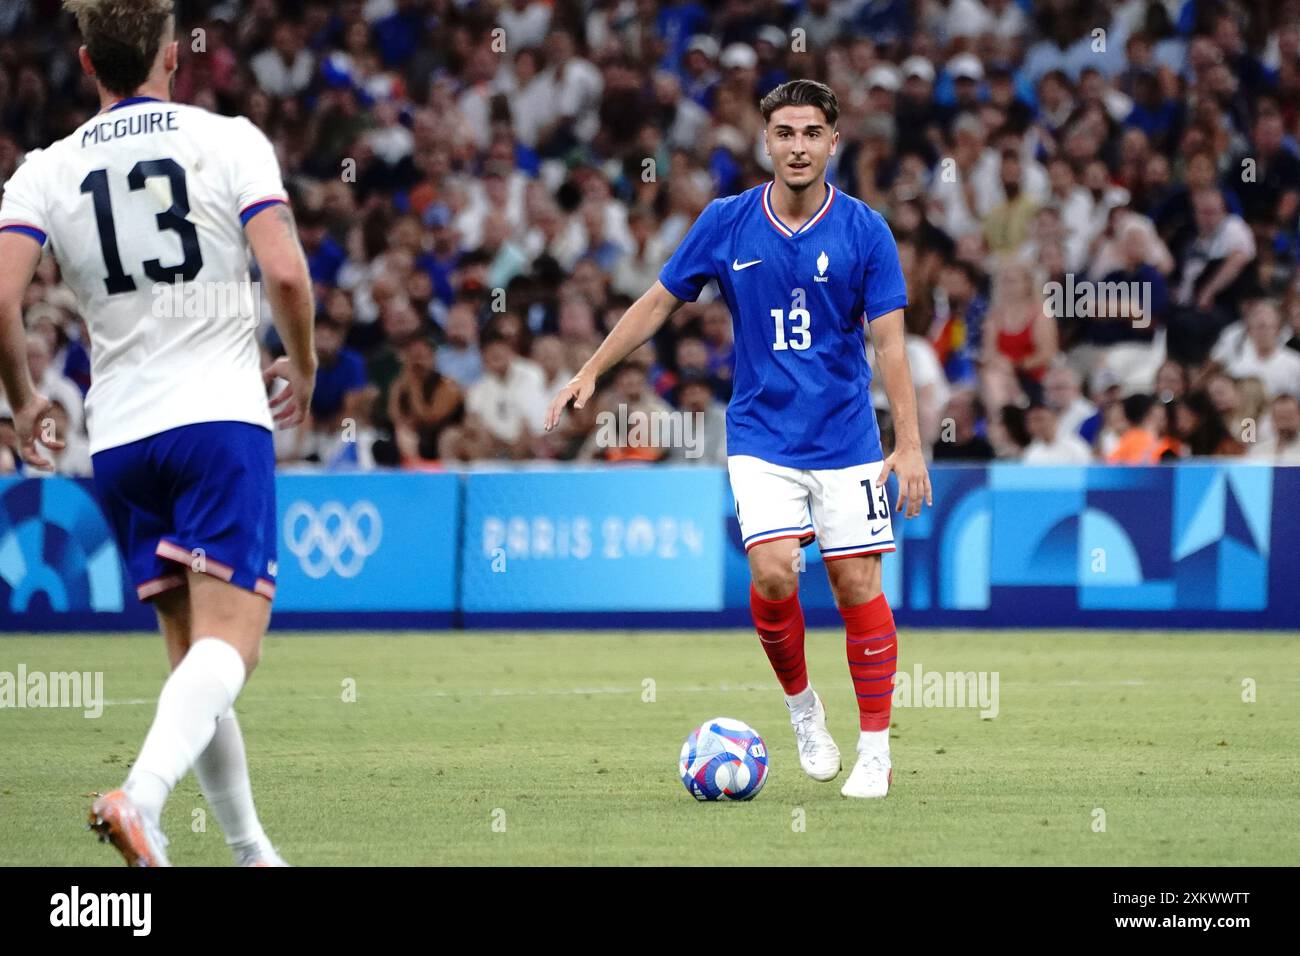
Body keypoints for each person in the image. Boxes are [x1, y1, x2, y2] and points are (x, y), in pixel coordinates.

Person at [546, 80, 930, 800]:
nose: (797, 146)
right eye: (784, 133)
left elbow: (891, 346)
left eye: (811, 133)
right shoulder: (726, 222)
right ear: (766, 141)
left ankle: (875, 749)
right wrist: (591, 370)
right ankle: (802, 710)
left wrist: (908, 444)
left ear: (833, 143)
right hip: (759, 434)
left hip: (846, 437)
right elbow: (660, 300)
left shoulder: (865, 231)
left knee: (856, 585)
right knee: (774, 573)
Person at [0, 0, 314, 867]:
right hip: (217, 417)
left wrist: (24, 401)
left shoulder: (45, 169)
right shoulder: (229, 139)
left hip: (122, 438)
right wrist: (307, 362)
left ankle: (250, 850)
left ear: (87, 62)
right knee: (230, 650)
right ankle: (139, 797)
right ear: (173, 56)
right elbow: (284, 270)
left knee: (190, 660)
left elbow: (1, 296)